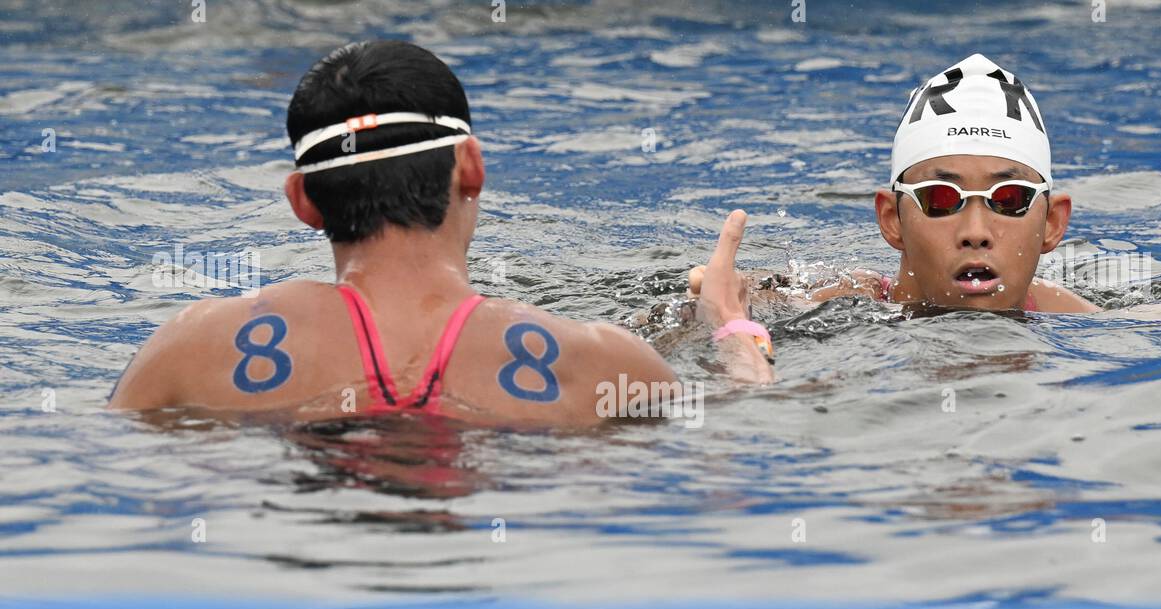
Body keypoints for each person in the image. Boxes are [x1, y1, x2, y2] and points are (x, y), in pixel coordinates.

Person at [109, 40, 772, 423]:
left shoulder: (185, 353)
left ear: (303, 201)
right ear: (472, 167)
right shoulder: (603, 363)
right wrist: (730, 325)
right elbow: (741, 436)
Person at [690, 53, 1099, 315]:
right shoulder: (841, 307)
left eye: (1009, 200)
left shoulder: (1074, 318)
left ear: (1052, 224)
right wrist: (718, 319)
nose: (976, 233)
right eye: (941, 199)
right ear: (892, 219)